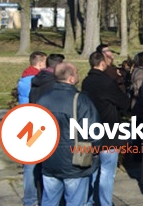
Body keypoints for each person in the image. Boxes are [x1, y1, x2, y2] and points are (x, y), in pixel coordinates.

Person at [36, 62, 99, 206]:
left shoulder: (43, 99)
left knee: (49, 200)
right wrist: (93, 152)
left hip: (49, 160)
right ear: (71, 78)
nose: (78, 74)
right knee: (75, 201)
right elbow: (94, 133)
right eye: (76, 72)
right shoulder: (80, 100)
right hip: (75, 163)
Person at [82, 51, 132, 206]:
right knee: (107, 172)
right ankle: (104, 203)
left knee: (91, 170)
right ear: (102, 63)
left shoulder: (86, 81)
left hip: (91, 129)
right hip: (108, 130)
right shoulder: (107, 82)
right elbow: (124, 103)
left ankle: (89, 201)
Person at [17, 51, 46, 206]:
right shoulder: (35, 81)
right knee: (33, 165)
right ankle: (32, 199)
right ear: (40, 63)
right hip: (35, 125)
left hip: (26, 123)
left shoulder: (23, 78)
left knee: (29, 163)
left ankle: (30, 199)